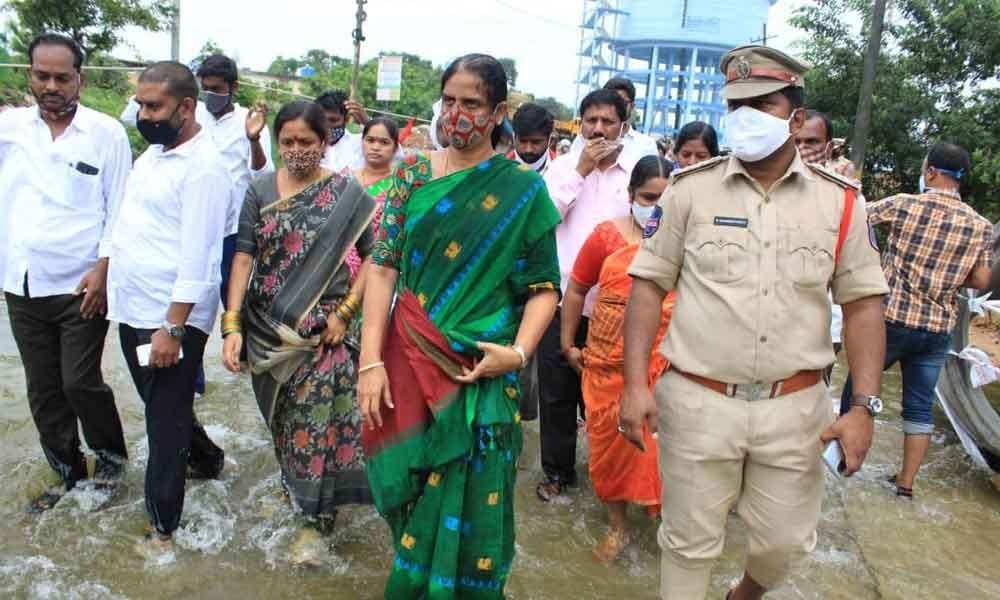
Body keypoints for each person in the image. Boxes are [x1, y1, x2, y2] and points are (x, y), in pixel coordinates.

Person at [620, 45, 889, 600]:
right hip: (698, 400)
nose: (744, 116)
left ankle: (745, 593)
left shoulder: (840, 204)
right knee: (687, 546)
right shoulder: (690, 189)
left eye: (761, 103)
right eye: (735, 103)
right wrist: (633, 384)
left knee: (786, 544)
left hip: (795, 409)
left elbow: (863, 305)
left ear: (794, 116)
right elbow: (647, 285)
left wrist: (862, 407)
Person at [357, 53, 560, 599]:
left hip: (482, 370)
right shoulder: (411, 174)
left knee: (472, 504)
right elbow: (382, 268)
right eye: (449, 100)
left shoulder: (522, 190)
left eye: (471, 103)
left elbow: (544, 289)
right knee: (407, 490)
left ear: (497, 112)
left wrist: (517, 354)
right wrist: (369, 362)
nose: (456, 113)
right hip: (406, 359)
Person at [221, 100, 376, 541]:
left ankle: (316, 523)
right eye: (286, 141)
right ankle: (294, 490)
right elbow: (243, 258)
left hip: (322, 335)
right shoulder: (260, 190)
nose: (296, 150)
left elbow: (374, 259)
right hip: (267, 334)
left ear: (325, 142)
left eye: (306, 141)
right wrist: (232, 327)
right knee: (284, 423)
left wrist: (345, 314)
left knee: (316, 429)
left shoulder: (348, 195)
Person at [0, 33, 130, 512]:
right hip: (21, 282)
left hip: (82, 284)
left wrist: (104, 268)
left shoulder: (105, 133)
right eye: (41, 76)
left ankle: (111, 460)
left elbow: (118, 206)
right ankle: (66, 472)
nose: (51, 85)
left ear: (81, 78)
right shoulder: (9, 129)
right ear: (28, 75)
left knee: (80, 382)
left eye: (61, 76)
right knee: (42, 388)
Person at [107, 61, 229, 554]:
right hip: (133, 309)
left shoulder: (205, 167)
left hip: (170, 319)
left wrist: (172, 328)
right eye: (140, 104)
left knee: (162, 425)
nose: (143, 114)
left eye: (153, 106)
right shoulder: (152, 157)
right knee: (165, 408)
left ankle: (162, 532)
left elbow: (200, 257)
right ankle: (210, 460)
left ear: (185, 106)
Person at [840, 142, 993, 499]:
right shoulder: (981, 225)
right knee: (920, 407)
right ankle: (905, 484)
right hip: (937, 330)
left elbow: (856, 216)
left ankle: (841, 465)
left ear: (930, 172)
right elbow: (982, 280)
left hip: (889, 321)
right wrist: (950, 276)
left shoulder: (905, 204)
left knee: (859, 396)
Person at [561, 155, 674, 563]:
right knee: (609, 447)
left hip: (665, 366)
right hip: (605, 366)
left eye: (666, 199)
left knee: (663, 448)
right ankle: (618, 526)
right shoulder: (607, 237)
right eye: (648, 197)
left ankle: (667, 526)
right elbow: (576, 289)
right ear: (630, 196)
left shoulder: (685, 242)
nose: (656, 207)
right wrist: (568, 343)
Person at [536, 88, 633, 501]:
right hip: (560, 303)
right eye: (590, 121)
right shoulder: (560, 170)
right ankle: (557, 474)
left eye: (606, 121)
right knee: (556, 395)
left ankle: (611, 479)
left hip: (618, 310)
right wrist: (580, 169)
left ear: (623, 126)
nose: (597, 129)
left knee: (610, 400)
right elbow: (542, 220)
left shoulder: (637, 176)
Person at [345, 116, 400, 278]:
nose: (375, 147)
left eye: (384, 142)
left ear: (395, 148)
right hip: (336, 271)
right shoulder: (345, 179)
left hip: (378, 271)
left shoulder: (399, 186)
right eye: (370, 140)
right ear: (362, 142)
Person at [569, 77, 659, 163]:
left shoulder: (646, 145)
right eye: (610, 101)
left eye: (622, 102)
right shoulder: (582, 141)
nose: (616, 106)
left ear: (632, 106)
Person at [316, 89, 369, 172]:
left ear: (346, 119)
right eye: (322, 120)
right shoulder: (308, 146)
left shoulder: (360, 144)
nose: (326, 125)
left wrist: (368, 123)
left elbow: (394, 155)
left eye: (333, 120)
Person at [795, 109, 856, 179]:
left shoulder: (846, 165)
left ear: (829, 148)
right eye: (795, 142)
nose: (801, 148)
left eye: (811, 141)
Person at [507, 102, 555, 174]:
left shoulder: (564, 171)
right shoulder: (498, 171)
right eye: (523, 141)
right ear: (513, 138)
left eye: (536, 142)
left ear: (549, 140)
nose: (528, 150)